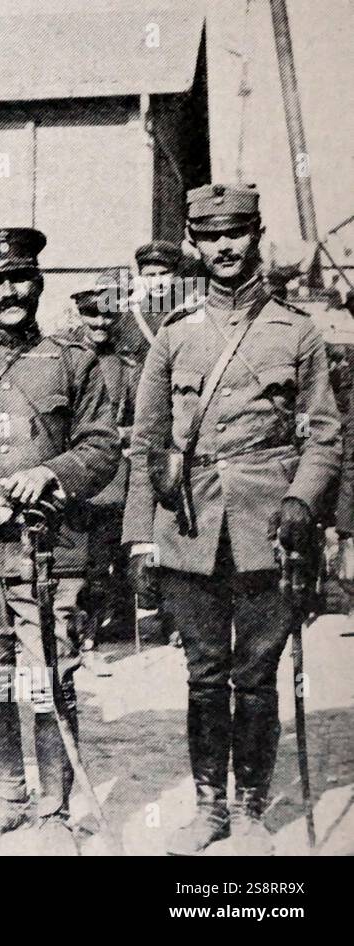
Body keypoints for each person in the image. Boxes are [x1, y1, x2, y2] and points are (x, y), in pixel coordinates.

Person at [125, 183, 343, 856]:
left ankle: (250, 811)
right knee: (203, 676)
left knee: (256, 676)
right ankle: (209, 809)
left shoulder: (296, 332)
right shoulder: (175, 333)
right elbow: (147, 440)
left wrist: (302, 502)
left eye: (237, 233)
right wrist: (139, 537)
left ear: (256, 235)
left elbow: (324, 435)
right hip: (189, 530)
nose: (224, 247)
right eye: (211, 236)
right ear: (194, 242)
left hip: (268, 532)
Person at [0, 227, 119, 852]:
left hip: (47, 546)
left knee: (50, 674)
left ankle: (55, 811)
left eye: (20, 279)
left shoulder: (73, 360)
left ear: (38, 283)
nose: (9, 292)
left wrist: (52, 472)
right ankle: (9, 795)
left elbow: (103, 448)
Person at [64, 274, 151, 670]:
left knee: (102, 567)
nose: (99, 323)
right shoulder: (62, 359)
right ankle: (67, 638)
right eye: (90, 316)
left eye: (106, 317)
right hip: (69, 478)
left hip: (112, 480)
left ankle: (90, 641)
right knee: (70, 567)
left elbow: (143, 421)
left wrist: (118, 432)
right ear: (79, 315)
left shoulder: (129, 366)